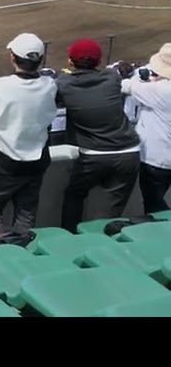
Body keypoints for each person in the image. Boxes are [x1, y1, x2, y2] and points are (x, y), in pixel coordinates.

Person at [54, 38, 142, 232]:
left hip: (93, 155)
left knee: (74, 195)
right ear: (99, 62)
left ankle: (71, 236)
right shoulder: (112, 78)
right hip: (128, 152)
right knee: (111, 208)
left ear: (70, 62)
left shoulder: (64, 83)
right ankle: (101, 238)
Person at [0, 33, 59, 234]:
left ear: (12, 58)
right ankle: (19, 248)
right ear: (40, 60)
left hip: (2, 160)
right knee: (26, 211)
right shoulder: (49, 85)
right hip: (36, 158)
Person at [123, 43, 171, 213]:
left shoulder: (161, 90)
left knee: (153, 205)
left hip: (157, 159)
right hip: (161, 158)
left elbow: (126, 86)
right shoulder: (158, 89)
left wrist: (139, 79)